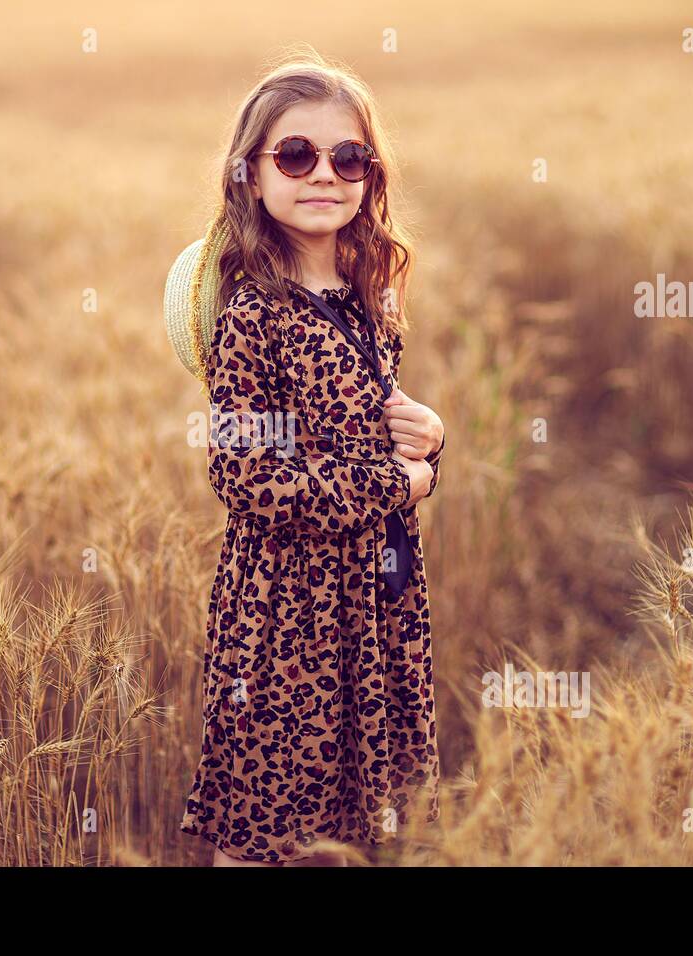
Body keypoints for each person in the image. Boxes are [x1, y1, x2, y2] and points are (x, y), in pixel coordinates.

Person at [179, 50, 446, 867]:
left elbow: (382, 434)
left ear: (370, 175)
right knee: (269, 823)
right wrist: (397, 481)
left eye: (348, 157)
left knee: (367, 820)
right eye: (294, 154)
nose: (323, 173)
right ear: (249, 174)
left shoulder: (371, 295)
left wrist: (432, 437)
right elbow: (247, 477)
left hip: (377, 598)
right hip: (287, 611)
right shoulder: (251, 315)